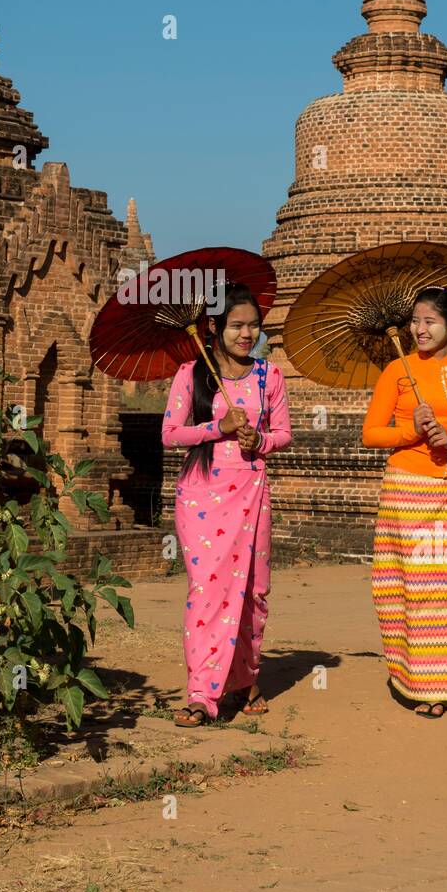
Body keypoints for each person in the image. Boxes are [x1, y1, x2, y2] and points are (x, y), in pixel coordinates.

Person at [361, 284, 447, 718]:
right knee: (412, 588)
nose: (419, 330)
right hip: (407, 488)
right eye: (415, 322)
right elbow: (371, 434)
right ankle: (421, 686)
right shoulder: (395, 371)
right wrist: (411, 433)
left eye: (429, 322)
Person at [161, 283, 292, 726]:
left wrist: (263, 440)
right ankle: (202, 693)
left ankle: (243, 677)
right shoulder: (190, 374)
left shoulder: (268, 376)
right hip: (202, 495)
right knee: (209, 590)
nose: (246, 334)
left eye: (253, 326)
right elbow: (170, 434)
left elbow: (285, 434)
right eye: (236, 325)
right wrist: (217, 427)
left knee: (253, 592)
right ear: (213, 327)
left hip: (252, 491)